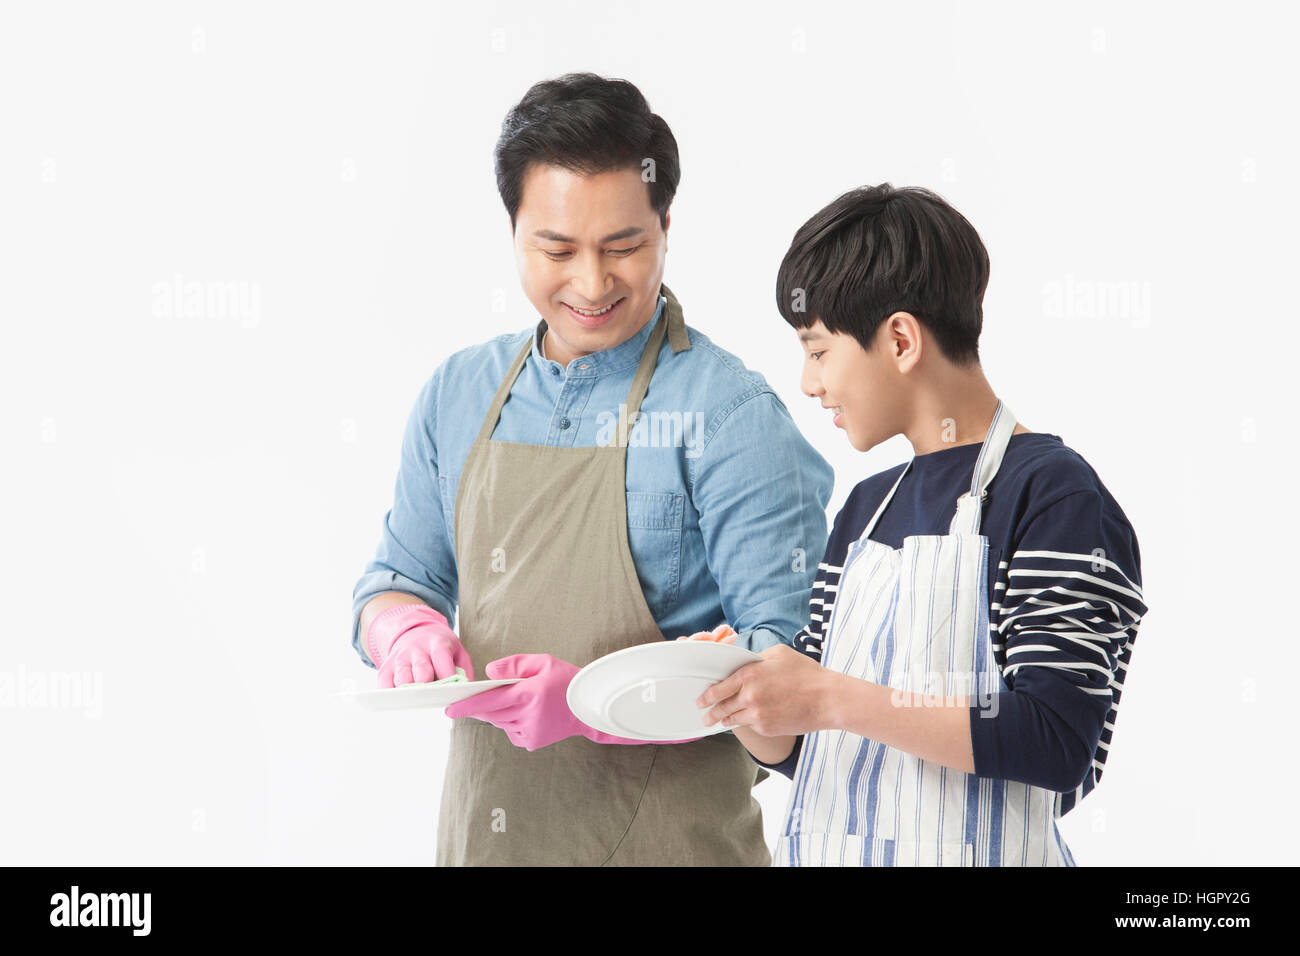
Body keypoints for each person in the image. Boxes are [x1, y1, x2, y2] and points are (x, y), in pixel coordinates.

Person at [349, 73, 834, 866]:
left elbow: (786, 680)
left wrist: (588, 704)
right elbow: (397, 577)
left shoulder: (730, 414)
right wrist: (401, 625)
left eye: (623, 247)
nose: (591, 282)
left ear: (666, 226)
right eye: (557, 249)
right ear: (513, 231)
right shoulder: (458, 394)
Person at [695, 183, 1149, 866]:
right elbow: (812, 748)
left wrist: (829, 696)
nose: (808, 383)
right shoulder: (863, 509)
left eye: (818, 351)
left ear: (901, 339)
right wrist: (745, 696)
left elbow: (1056, 740)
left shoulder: (1055, 497)